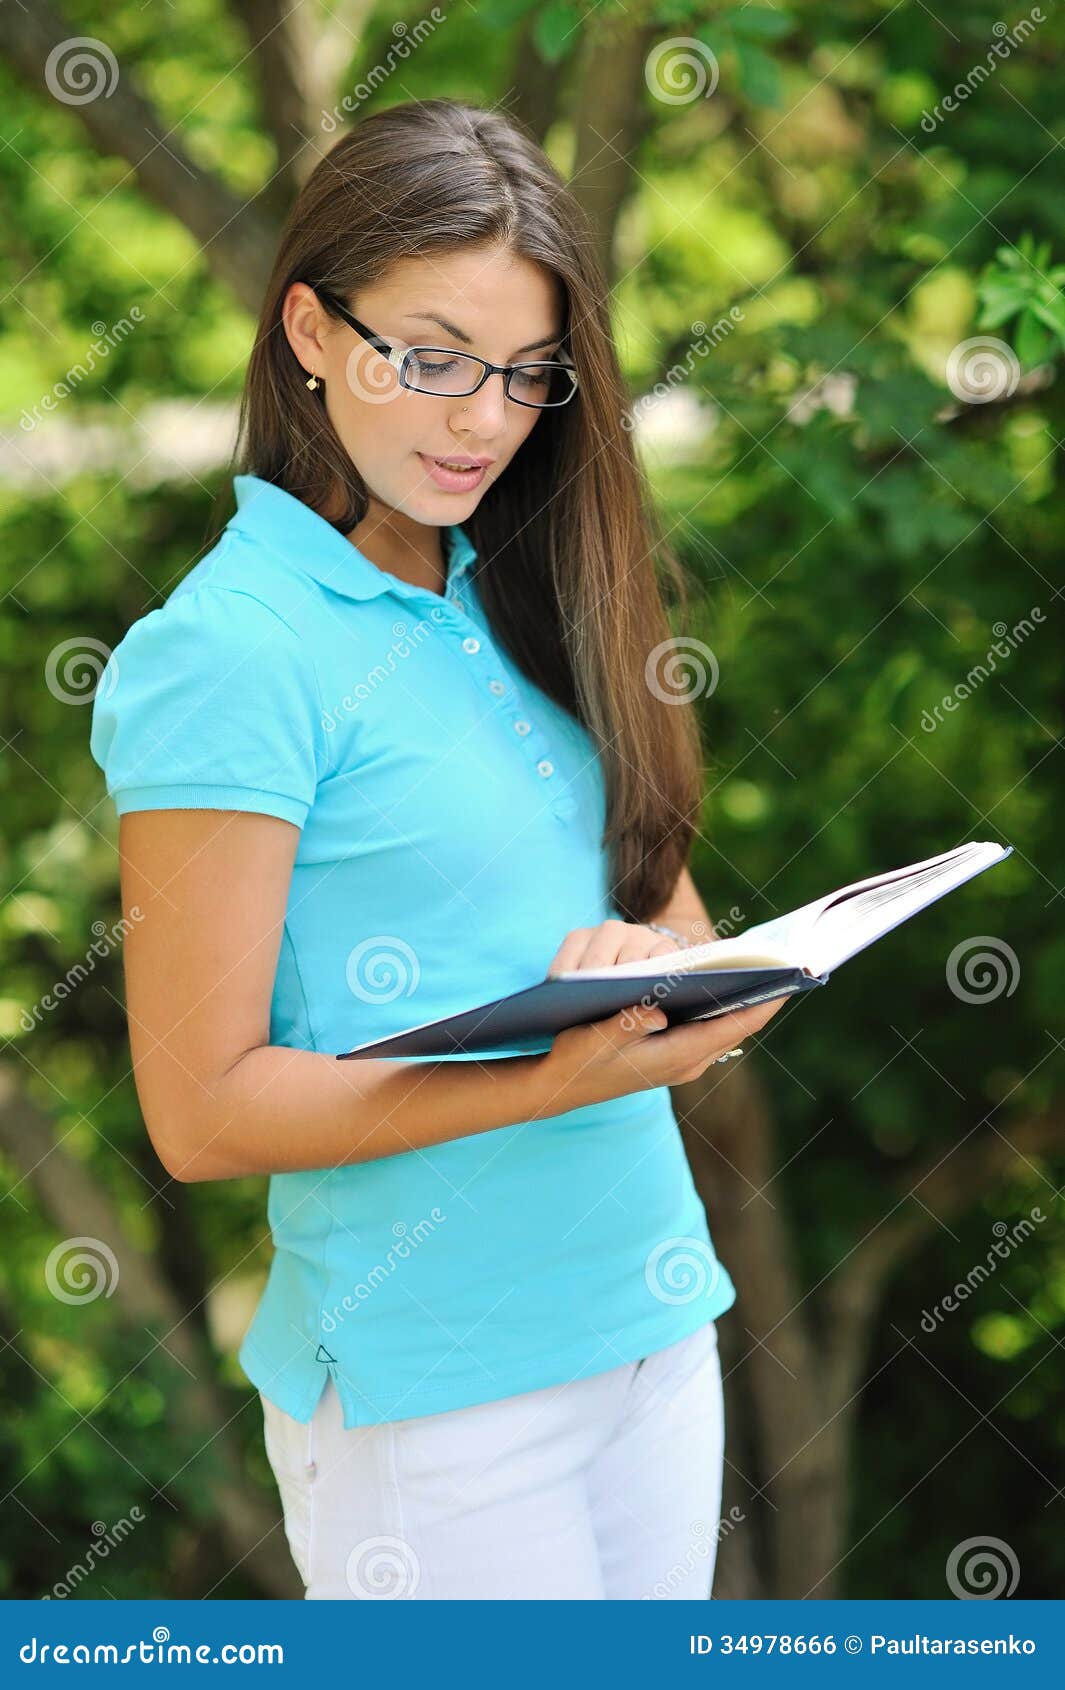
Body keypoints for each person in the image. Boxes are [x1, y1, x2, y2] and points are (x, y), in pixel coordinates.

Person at [90, 98, 788, 1601]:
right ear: (308, 331)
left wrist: (658, 976)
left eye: (526, 375)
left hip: (651, 1322)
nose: (481, 419)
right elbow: (200, 1114)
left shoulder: (521, 584)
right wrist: (554, 1071)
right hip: (438, 1395)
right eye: (430, 357)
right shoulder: (229, 653)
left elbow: (698, 948)